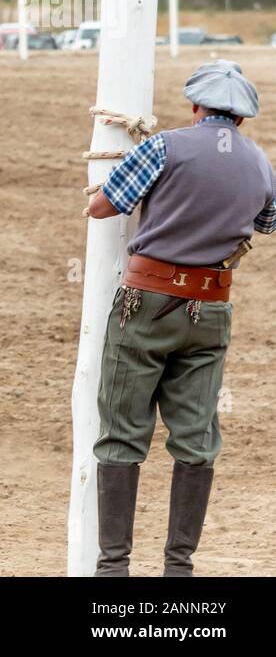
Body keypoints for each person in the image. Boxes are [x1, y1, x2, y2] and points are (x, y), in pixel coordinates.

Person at [86, 60, 276, 576]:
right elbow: (266, 222)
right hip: (210, 308)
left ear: (197, 106)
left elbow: (105, 207)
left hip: (146, 303)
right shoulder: (260, 163)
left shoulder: (164, 145)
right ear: (242, 117)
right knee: (196, 438)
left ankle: (113, 568)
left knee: (123, 434)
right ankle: (179, 567)